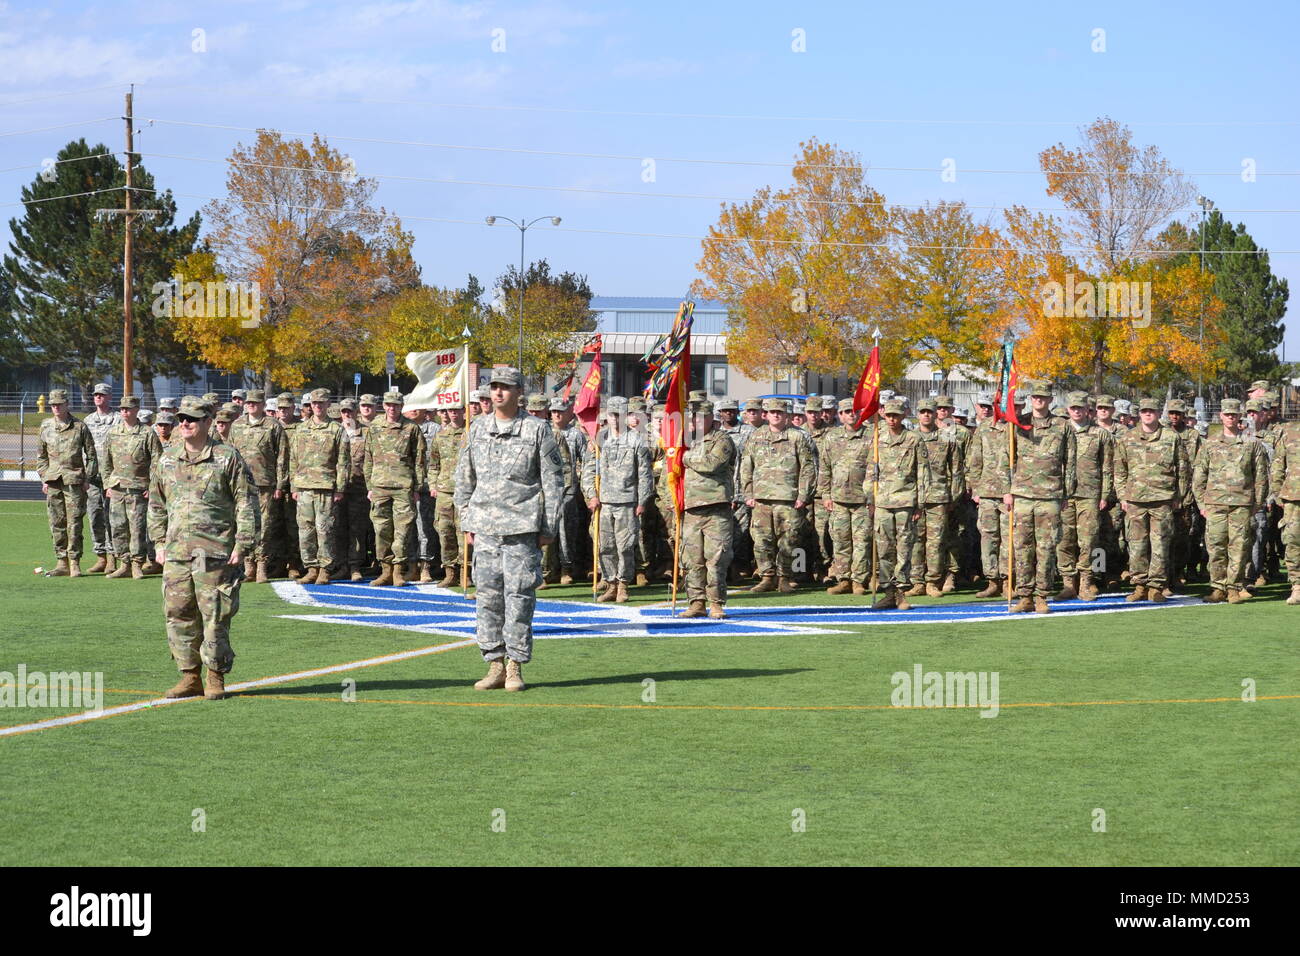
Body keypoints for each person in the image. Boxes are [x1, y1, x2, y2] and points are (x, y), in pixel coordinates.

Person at [455, 367, 566, 692]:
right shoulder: (477, 428)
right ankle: (494, 664)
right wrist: (467, 519)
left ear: (520, 393)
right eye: (495, 387)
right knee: (487, 598)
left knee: (518, 597)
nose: (499, 393)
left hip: (522, 527)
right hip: (485, 527)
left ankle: (515, 666)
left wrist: (549, 525)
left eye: (506, 388)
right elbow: (465, 477)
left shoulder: (537, 430)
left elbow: (553, 482)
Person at [148, 395, 257, 701]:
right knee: (178, 613)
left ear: (208, 422)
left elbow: (246, 502)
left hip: (216, 551)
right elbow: (156, 503)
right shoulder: (167, 458)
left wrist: (244, 543)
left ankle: (214, 676)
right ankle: (189, 676)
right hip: (177, 552)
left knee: (215, 616)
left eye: (192, 419)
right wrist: (158, 542)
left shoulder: (227, 457)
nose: (185, 423)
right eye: (182, 418)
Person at [1113, 397, 1192, 604]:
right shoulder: (1128, 438)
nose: (1148, 414)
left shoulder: (1170, 437)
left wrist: (1179, 496)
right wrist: (1122, 496)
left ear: (1159, 413)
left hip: (1162, 499)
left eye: (1152, 411)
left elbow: (1183, 468)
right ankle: (1139, 584)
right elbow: (1119, 470)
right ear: (1139, 414)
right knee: (1137, 545)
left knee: (1160, 545)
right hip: (1135, 500)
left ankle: (1156, 586)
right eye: (1144, 411)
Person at [1007, 382, 1076, 614]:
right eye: (1036, 397)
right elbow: (1006, 458)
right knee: (1022, 546)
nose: (1039, 400)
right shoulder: (1018, 423)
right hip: (1023, 494)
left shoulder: (1062, 426)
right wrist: (1008, 490)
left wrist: (1067, 492)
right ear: (1031, 399)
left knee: (1046, 547)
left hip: (1051, 494)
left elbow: (1070, 461)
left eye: (1043, 397)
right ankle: (1024, 595)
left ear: (1050, 399)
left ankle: (1041, 596)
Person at [1194, 399, 1270, 604]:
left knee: (1239, 547)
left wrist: (1258, 503)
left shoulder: (1251, 444)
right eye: (1227, 414)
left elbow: (1261, 476)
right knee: (1216, 545)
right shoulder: (1210, 444)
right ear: (1221, 416)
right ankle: (1218, 587)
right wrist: (1201, 504)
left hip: (1242, 504)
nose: (1230, 417)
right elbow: (1199, 475)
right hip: (1215, 504)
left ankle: (1234, 588)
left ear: (1239, 417)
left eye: (1234, 414)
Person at [581, 397, 654, 603]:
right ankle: (610, 584)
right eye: (612, 415)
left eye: (619, 415)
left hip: (627, 501)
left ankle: (623, 585)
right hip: (604, 503)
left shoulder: (637, 440)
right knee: (605, 546)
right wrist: (591, 495)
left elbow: (644, 474)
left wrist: (642, 500)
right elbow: (588, 470)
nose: (615, 419)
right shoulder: (600, 439)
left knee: (625, 547)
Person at [740, 398, 815, 594]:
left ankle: (785, 577)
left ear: (787, 416)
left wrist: (803, 495)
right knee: (761, 539)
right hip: (761, 498)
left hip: (789, 498)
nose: (776, 415)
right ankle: (767, 576)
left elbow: (808, 467)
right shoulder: (756, 436)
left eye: (780, 413)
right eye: (772, 412)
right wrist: (747, 493)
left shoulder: (798, 437)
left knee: (789, 539)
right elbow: (746, 466)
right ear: (766, 414)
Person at [870, 398, 930, 610]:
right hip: (883, 502)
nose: (892, 419)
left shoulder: (913, 439)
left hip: (906, 500)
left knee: (905, 548)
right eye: (888, 416)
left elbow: (922, 472)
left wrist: (920, 503)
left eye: (896, 415)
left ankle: (902, 592)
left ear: (903, 416)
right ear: (884, 416)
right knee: (884, 548)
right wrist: (871, 499)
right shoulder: (878, 438)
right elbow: (871, 471)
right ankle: (888, 592)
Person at [678, 401, 736, 618]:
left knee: (716, 559)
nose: (696, 421)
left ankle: (716, 603)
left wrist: (685, 458)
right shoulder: (686, 440)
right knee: (692, 559)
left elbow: (713, 464)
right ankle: (696, 602)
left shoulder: (722, 439)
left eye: (702, 417)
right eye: (693, 417)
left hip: (716, 507)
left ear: (712, 418)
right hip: (692, 508)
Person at [1055, 391, 1113, 601]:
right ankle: (1068, 583)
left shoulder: (1100, 434)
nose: (1077, 411)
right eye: (1073, 408)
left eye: (1080, 408)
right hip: (1064, 494)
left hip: (1090, 494)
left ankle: (1087, 582)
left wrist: (1105, 494)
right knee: (1064, 541)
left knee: (1089, 540)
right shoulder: (1059, 431)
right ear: (1068, 410)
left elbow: (1107, 466)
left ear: (1088, 410)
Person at [364, 391, 425, 587]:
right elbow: (368, 457)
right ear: (384, 406)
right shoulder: (375, 427)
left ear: (401, 407)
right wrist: (369, 485)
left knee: (403, 530)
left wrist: (417, 486)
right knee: (381, 530)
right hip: (380, 486)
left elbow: (419, 459)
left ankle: (398, 570)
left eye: (396, 405)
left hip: (403, 486)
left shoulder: (411, 428)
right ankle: (386, 570)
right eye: (389, 405)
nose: (392, 408)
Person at [289, 388, 349, 585]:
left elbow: (343, 461)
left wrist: (340, 488)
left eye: (321, 403)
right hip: (304, 486)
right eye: (314, 403)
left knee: (325, 530)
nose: (317, 406)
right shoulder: (301, 429)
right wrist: (294, 486)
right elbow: (293, 459)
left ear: (328, 405)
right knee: (305, 530)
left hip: (326, 486)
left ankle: (325, 569)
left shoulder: (336, 429)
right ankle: (311, 567)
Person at [228, 389, 288, 583]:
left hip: (265, 483)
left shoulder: (273, 425)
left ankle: (262, 565)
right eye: (248, 402)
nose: (251, 405)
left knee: (265, 525)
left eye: (255, 402)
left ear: (263, 405)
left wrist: (280, 483)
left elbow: (282, 456)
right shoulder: (236, 426)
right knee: (244, 524)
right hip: (241, 484)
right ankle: (248, 566)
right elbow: (230, 456)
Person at [37, 388, 98, 577]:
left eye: (59, 404)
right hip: (54, 480)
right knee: (56, 522)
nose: (55, 407)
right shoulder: (46, 426)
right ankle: (61, 561)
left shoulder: (80, 427)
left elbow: (92, 456)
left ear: (66, 405)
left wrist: (87, 478)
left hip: (74, 481)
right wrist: (44, 476)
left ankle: (74, 562)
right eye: (53, 405)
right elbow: (41, 456)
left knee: (75, 523)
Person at [101, 395, 163, 579]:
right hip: (117, 487)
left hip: (138, 487)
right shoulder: (113, 433)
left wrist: (152, 486)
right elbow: (106, 462)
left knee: (137, 528)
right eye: (122, 409)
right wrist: (107, 484)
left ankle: (137, 563)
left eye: (128, 409)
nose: (124, 412)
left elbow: (157, 461)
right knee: (118, 527)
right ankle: (124, 563)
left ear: (136, 410)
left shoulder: (147, 433)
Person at [819, 398, 875, 595]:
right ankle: (844, 579)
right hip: (839, 499)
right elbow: (825, 468)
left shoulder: (871, 436)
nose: (851, 414)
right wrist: (825, 494)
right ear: (840, 415)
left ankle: (859, 580)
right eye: (846, 412)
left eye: (855, 411)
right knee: (841, 540)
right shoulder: (832, 437)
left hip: (863, 500)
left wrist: (873, 497)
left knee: (862, 541)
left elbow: (876, 468)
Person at [967, 393, 1010, 598]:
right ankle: (992, 580)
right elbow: (975, 460)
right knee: (988, 537)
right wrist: (975, 488)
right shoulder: (983, 428)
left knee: (1009, 538)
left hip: (1009, 493)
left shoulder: (1013, 427)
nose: (993, 409)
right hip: (986, 491)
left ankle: (1008, 579)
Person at [83, 382, 120, 574]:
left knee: (112, 517)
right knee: (95, 515)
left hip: (112, 476)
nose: (99, 397)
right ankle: (101, 556)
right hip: (93, 476)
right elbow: (83, 449)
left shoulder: (118, 419)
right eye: (96, 395)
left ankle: (113, 556)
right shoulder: (88, 420)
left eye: (102, 395)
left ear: (109, 397)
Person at [429, 402, 468, 586]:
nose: (453, 414)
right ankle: (450, 572)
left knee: (464, 534)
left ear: (463, 411)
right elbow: (433, 464)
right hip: (444, 491)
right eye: (449, 411)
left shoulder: (471, 432)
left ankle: (464, 573)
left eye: (456, 410)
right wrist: (433, 484)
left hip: (465, 491)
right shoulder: (440, 435)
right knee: (445, 533)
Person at [336, 398, 371, 581]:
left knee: (357, 528)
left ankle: (355, 566)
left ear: (356, 412)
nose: (347, 415)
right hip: (338, 488)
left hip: (359, 487)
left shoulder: (366, 432)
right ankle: (341, 565)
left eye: (350, 411)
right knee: (339, 527)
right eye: (344, 412)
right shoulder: (334, 431)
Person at [1270, 406, 1300, 605]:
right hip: (1293, 498)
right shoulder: (1289, 433)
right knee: (1293, 541)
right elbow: (1278, 465)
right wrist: (1277, 494)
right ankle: (1297, 586)